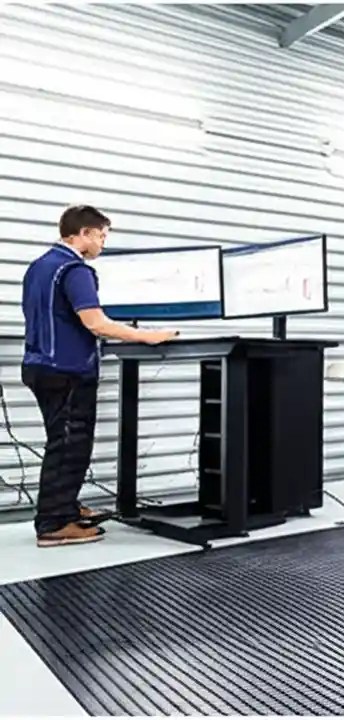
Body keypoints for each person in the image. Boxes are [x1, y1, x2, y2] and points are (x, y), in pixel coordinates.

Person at [20, 205, 179, 547]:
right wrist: (149, 336)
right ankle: (54, 523)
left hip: (39, 365)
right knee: (70, 446)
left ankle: (64, 507)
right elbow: (95, 322)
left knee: (61, 442)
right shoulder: (75, 269)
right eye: (101, 236)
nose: (103, 244)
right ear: (84, 233)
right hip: (66, 371)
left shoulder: (39, 266)